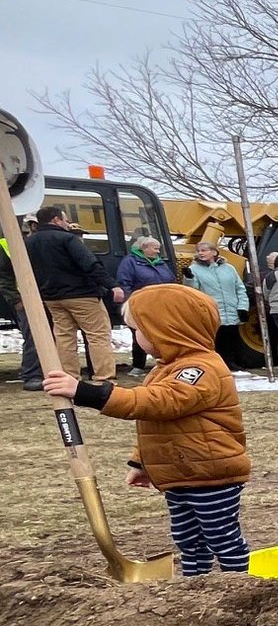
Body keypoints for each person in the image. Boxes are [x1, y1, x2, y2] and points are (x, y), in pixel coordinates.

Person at [42, 284, 252, 576]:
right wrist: (141, 463)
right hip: (182, 473)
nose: (136, 337)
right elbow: (156, 425)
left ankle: (240, 583)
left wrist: (88, 393)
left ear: (168, 330)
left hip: (211, 475)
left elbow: (158, 403)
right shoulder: (164, 369)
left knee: (221, 537)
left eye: (139, 329)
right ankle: (195, 584)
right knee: (188, 539)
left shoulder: (201, 370)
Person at [27, 205, 123, 386]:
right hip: (82, 295)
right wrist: (112, 285)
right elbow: (89, 264)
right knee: (98, 335)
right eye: (65, 220)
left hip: (51, 297)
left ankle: (69, 378)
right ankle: (104, 378)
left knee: (64, 338)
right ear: (56, 220)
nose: (67, 224)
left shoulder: (29, 242)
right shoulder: (68, 238)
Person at [185, 242, 252, 369]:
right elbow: (192, 292)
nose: (200, 253)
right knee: (217, 339)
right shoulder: (194, 269)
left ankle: (234, 362)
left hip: (232, 310)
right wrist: (189, 278)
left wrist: (243, 307)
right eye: (198, 251)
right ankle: (219, 364)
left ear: (214, 252)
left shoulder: (229, 268)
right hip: (213, 311)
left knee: (233, 337)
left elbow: (240, 289)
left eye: (204, 250)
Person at [116, 236, 177, 375]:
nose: (158, 252)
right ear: (144, 248)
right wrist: (131, 302)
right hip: (141, 305)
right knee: (140, 333)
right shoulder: (130, 262)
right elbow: (124, 283)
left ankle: (165, 363)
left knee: (164, 333)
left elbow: (171, 280)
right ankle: (138, 365)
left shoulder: (160, 263)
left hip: (162, 305)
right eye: (155, 248)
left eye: (159, 249)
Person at [0, 225, 44, 389]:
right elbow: (4, 277)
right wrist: (16, 301)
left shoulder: (35, 243)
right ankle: (32, 375)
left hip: (44, 297)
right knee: (34, 336)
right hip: (25, 300)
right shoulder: (7, 245)